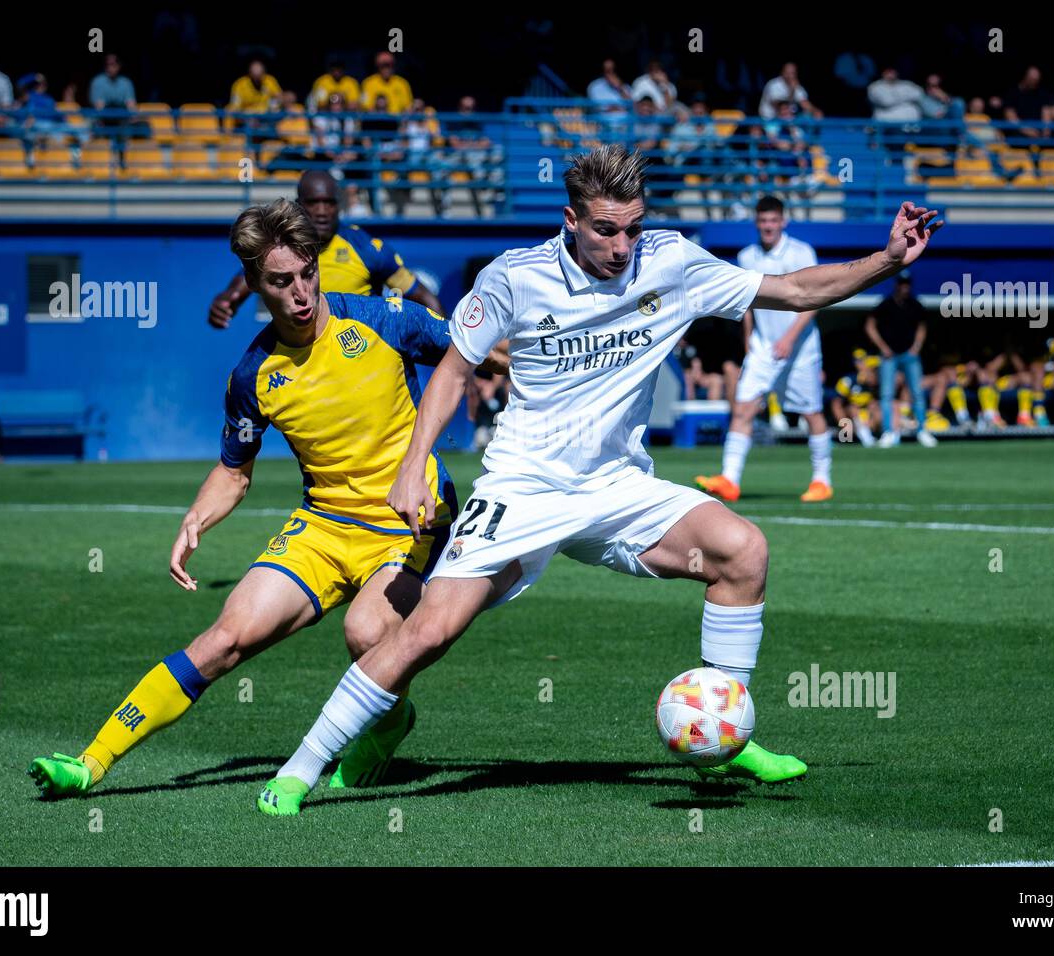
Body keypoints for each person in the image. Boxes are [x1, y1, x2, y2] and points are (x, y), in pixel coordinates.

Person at [257, 144, 942, 815]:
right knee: (427, 633)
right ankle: (301, 770)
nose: (622, 244)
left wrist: (886, 259)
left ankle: (723, 735)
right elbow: (454, 371)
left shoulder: (671, 262)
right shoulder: (514, 278)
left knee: (743, 551)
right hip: (522, 489)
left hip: (617, 489)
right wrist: (412, 468)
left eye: (633, 227)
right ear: (571, 220)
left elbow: (792, 290)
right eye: (607, 229)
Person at [28, 199, 508, 800]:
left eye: (308, 273)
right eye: (282, 282)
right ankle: (89, 763)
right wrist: (196, 518)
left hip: (410, 522)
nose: (302, 292)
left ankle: (384, 728)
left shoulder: (385, 321)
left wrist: (538, 370)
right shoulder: (253, 375)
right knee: (223, 639)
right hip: (324, 526)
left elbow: (480, 353)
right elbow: (234, 472)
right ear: (256, 284)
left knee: (366, 633)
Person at [697, 196, 830, 503]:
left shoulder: (801, 252)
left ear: (783, 221)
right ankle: (729, 480)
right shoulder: (747, 256)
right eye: (763, 221)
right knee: (743, 408)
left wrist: (789, 338)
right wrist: (748, 343)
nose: (768, 226)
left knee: (811, 412)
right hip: (762, 348)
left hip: (801, 348)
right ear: (757, 223)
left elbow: (815, 300)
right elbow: (749, 306)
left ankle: (822, 481)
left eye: (773, 221)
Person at [206, 170, 442, 328]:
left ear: (338, 206)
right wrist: (225, 303)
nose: (321, 211)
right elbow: (235, 293)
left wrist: (450, 345)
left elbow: (422, 296)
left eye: (328, 203)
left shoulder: (366, 248)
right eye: (314, 202)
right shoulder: (279, 251)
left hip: (360, 359)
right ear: (299, 205)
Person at [865, 271, 935, 447]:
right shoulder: (886, 304)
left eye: (907, 284)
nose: (905, 287)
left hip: (909, 356)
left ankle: (922, 430)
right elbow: (870, 326)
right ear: (896, 285)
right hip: (889, 356)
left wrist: (916, 347)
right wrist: (883, 347)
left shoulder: (915, 304)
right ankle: (889, 432)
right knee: (886, 394)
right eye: (902, 284)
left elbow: (922, 327)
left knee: (917, 393)